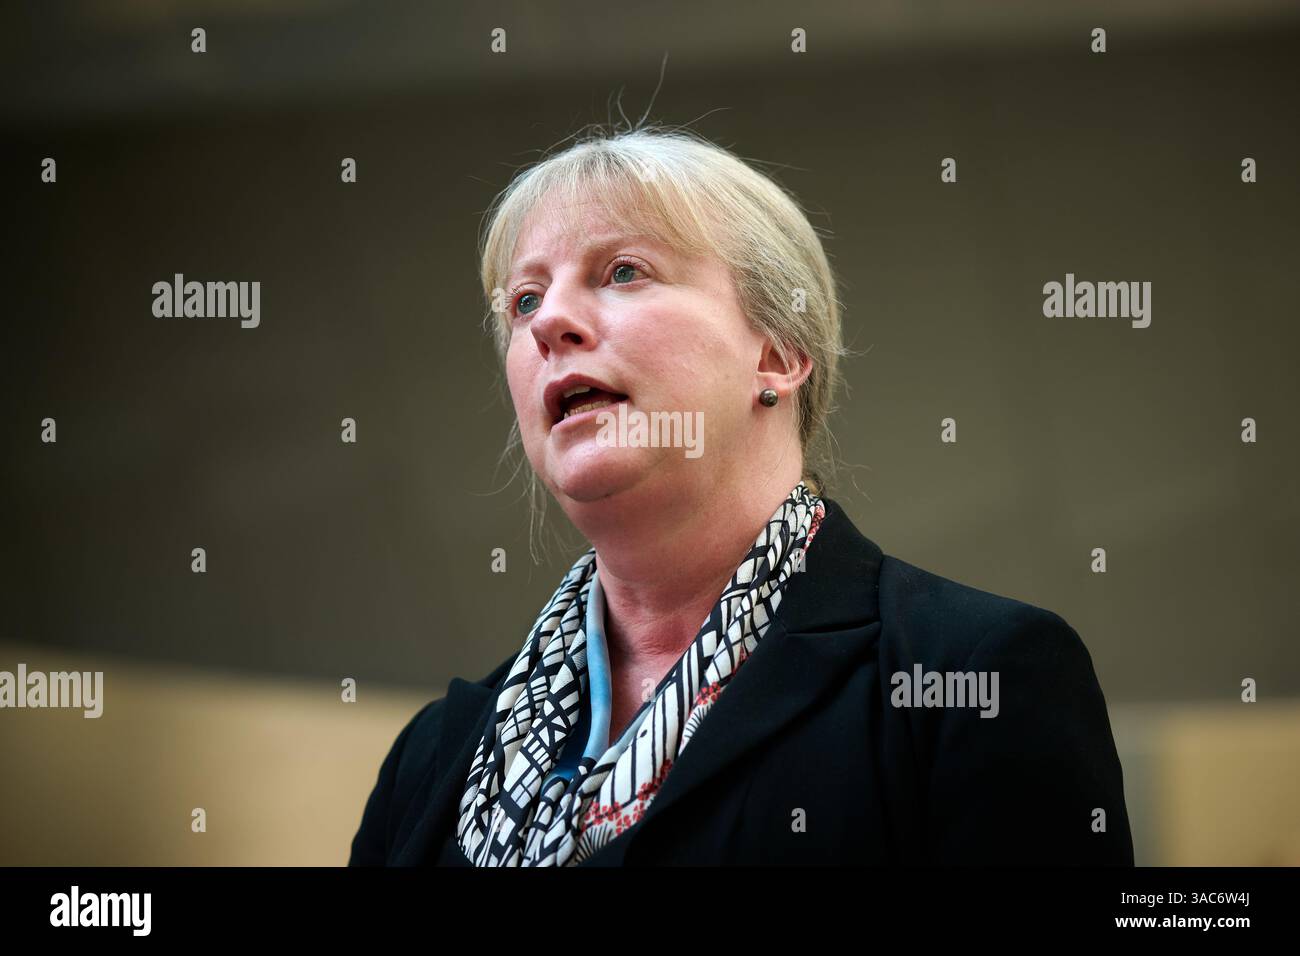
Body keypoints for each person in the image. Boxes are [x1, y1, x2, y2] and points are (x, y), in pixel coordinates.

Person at [349, 125, 1134, 866]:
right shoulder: (433, 757)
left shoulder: (972, 675)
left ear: (779, 352)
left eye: (623, 270)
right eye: (524, 301)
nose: (548, 321)